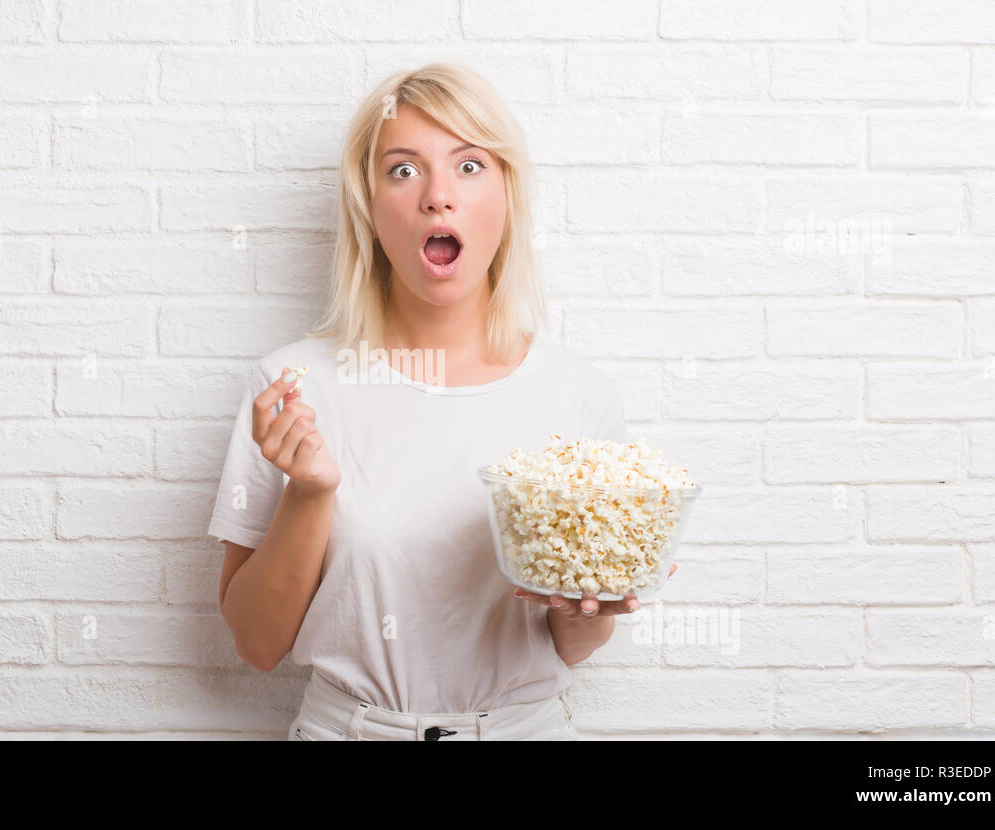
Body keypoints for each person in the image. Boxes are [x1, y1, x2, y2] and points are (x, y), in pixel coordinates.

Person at [207, 62, 673, 741]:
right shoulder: (292, 389)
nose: (437, 196)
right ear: (368, 207)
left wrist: (585, 610)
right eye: (403, 169)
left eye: (469, 166)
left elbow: (574, 646)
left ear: (507, 195)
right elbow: (256, 643)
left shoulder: (578, 396)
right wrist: (309, 493)